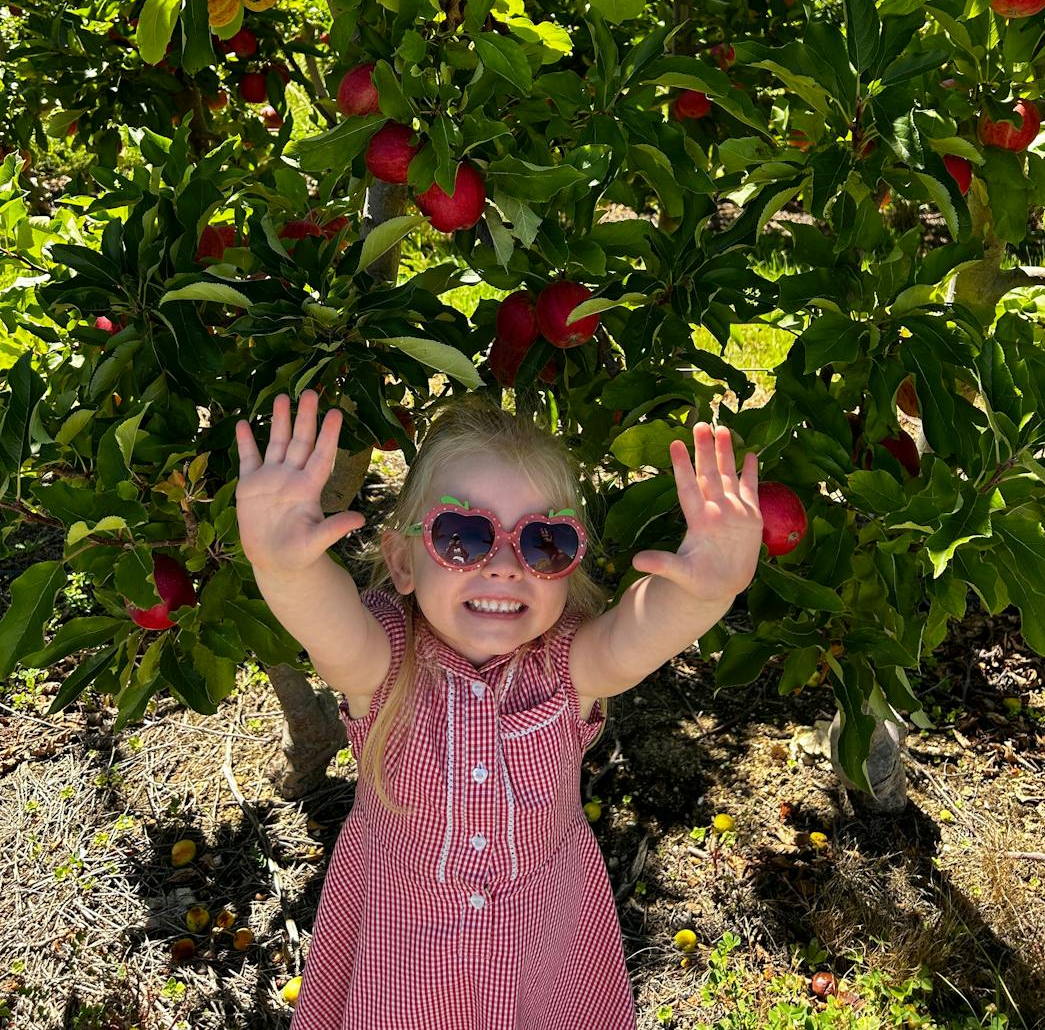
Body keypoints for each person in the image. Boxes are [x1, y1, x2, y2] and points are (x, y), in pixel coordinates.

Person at [234, 389, 763, 1030]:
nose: (507, 566)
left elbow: (639, 635)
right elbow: (328, 622)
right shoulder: (382, 664)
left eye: (544, 543)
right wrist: (281, 566)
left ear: (569, 568)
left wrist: (712, 587)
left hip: (539, 955)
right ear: (401, 561)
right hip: (404, 964)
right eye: (462, 537)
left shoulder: (571, 662)